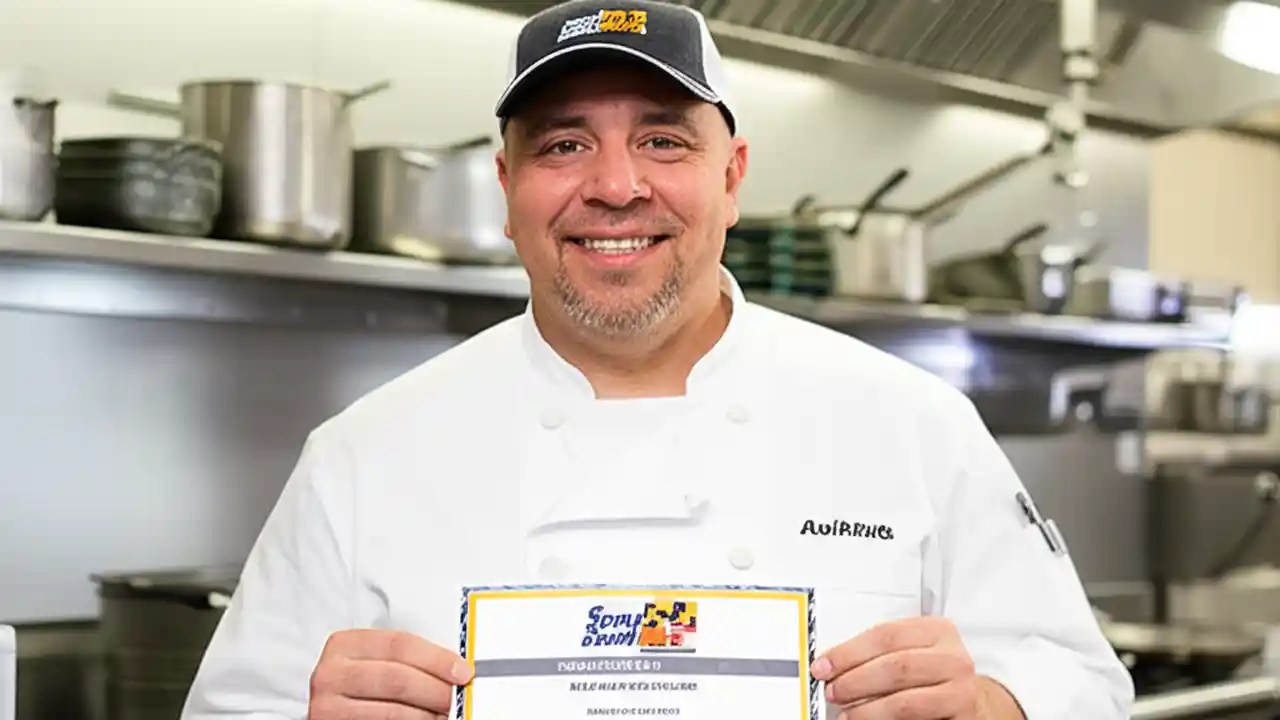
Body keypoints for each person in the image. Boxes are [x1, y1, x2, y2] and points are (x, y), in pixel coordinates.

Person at [182, 0, 1136, 718]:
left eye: (662, 139)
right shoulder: (365, 454)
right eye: (564, 144)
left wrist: (993, 708)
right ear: (508, 186)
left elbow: (1087, 688)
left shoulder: (910, 422)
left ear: (732, 177)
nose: (614, 186)